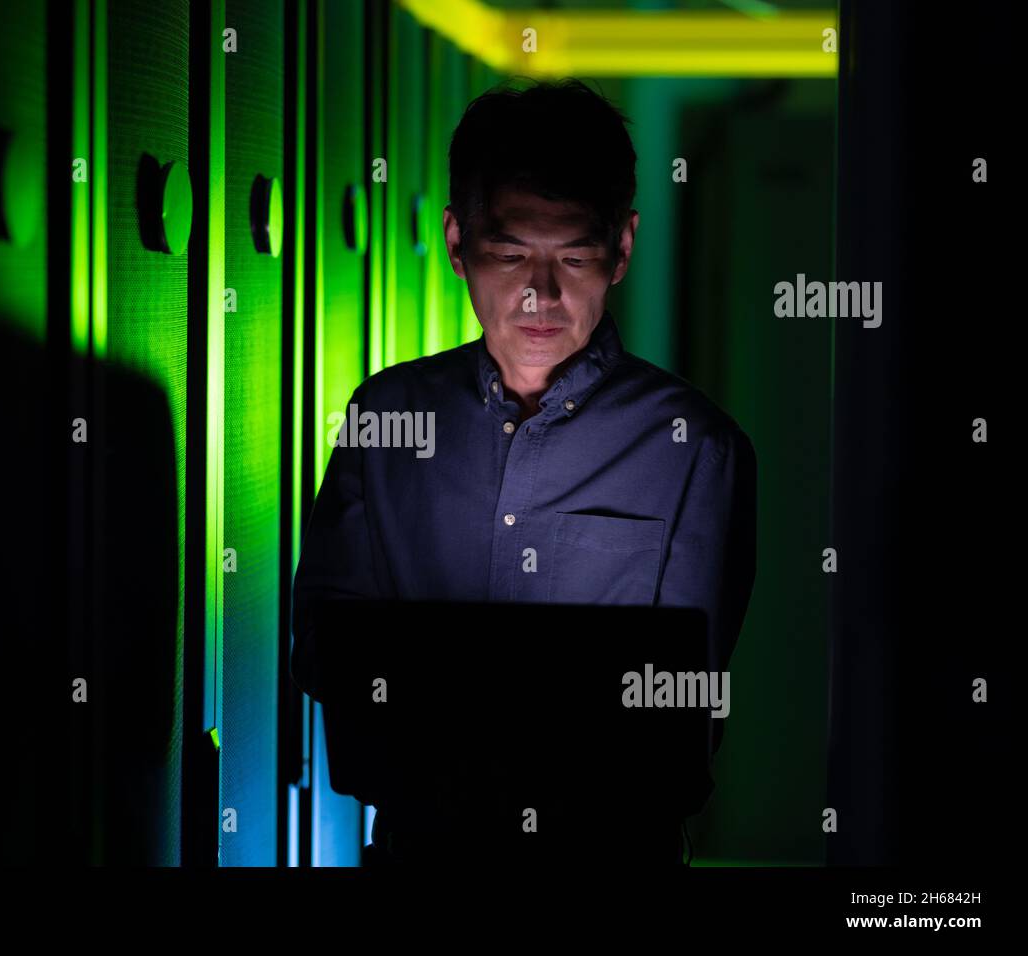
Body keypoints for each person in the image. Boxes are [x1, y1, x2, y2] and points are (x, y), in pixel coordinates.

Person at [291, 78, 757, 866]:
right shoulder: (386, 416)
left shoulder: (694, 448)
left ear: (623, 249)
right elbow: (324, 646)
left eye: (573, 256)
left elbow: (688, 701)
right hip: (421, 854)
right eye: (510, 254)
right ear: (455, 243)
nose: (541, 294)